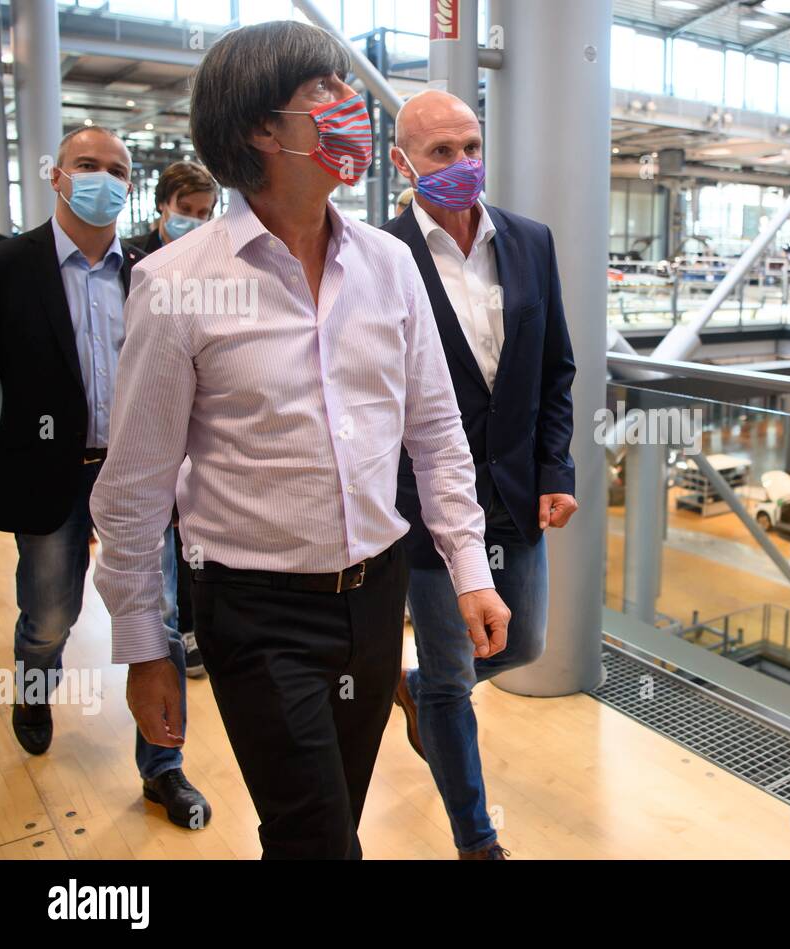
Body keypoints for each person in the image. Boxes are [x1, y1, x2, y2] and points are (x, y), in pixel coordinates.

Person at [89, 20, 509, 859]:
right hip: (256, 607)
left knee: (325, 822)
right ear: (259, 128)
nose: (350, 106)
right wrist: (144, 648)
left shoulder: (389, 267)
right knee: (318, 839)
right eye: (323, 91)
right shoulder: (178, 284)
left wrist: (469, 566)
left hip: (376, 596)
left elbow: (434, 429)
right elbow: (135, 485)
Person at [384, 90, 577, 861]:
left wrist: (555, 467)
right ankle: (476, 837)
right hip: (431, 502)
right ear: (403, 164)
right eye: (441, 153)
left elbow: (556, 368)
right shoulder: (380, 254)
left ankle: (422, 685)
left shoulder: (530, 242)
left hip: (518, 494)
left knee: (521, 644)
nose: (464, 165)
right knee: (451, 678)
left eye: (471, 146)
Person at [0, 126, 209, 829]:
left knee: (161, 620)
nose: (105, 180)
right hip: (48, 472)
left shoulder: (153, 271)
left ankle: (164, 766)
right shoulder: (12, 265)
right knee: (50, 612)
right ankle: (33, 685)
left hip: (139, 476)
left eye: (117, 170)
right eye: (88, 165)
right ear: (57, 175)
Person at [130, 159, 221, 680]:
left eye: (205, 213)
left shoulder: (213, 267)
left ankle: (190, 628)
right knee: (158, 540)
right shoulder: (139, 264)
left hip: (198, 424)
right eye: (186, 211)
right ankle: (156, 642)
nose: (194, 219)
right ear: (164, 205)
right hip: (154, 416)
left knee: (192, 535)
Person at [131, 160, 219, 254]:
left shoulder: (218, 256)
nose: (193, 219)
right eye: (185, 208)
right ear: (162, 203)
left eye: (202, 212)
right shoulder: (131, 254)